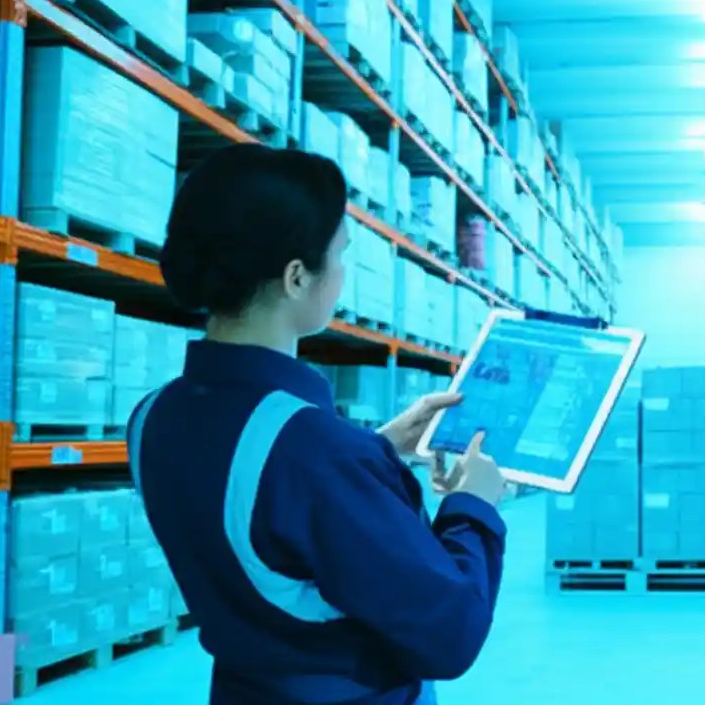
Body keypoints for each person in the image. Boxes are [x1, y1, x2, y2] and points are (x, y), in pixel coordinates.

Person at [127, 143, 508, 705]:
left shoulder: (153, 416)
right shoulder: (315, 452)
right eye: (340, 254)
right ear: (297, 278)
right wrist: (472, 505)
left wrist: (375, 451)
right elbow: (451, 631)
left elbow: (264, 514)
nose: (343, 273)